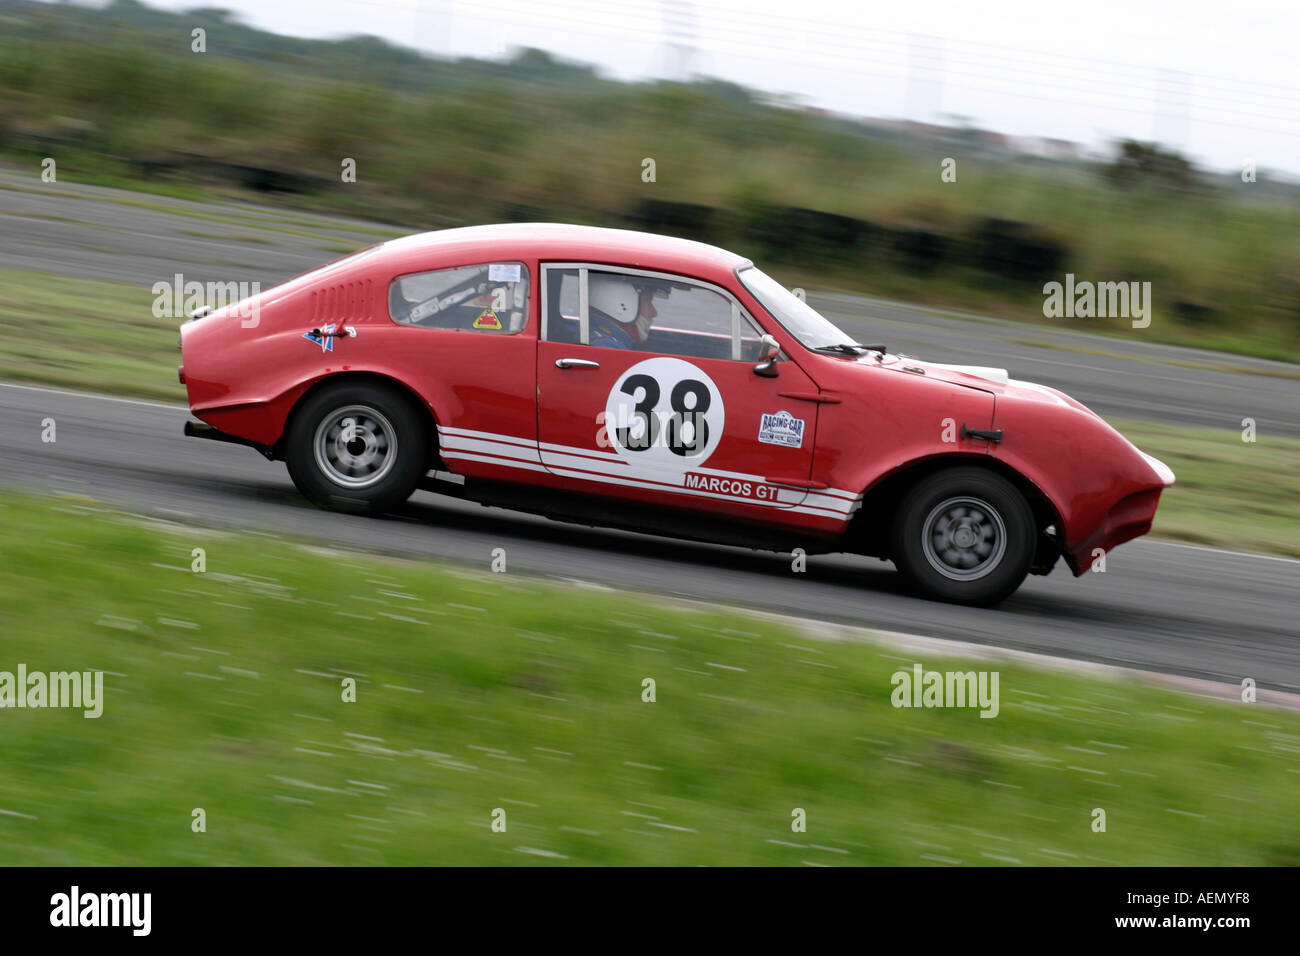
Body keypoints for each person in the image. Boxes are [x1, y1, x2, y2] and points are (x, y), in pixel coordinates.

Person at [587, 275, 660, 349]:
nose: (654, 313)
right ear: (622, 303)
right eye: (648, 301)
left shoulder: (601, 339)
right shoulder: (608, 347)